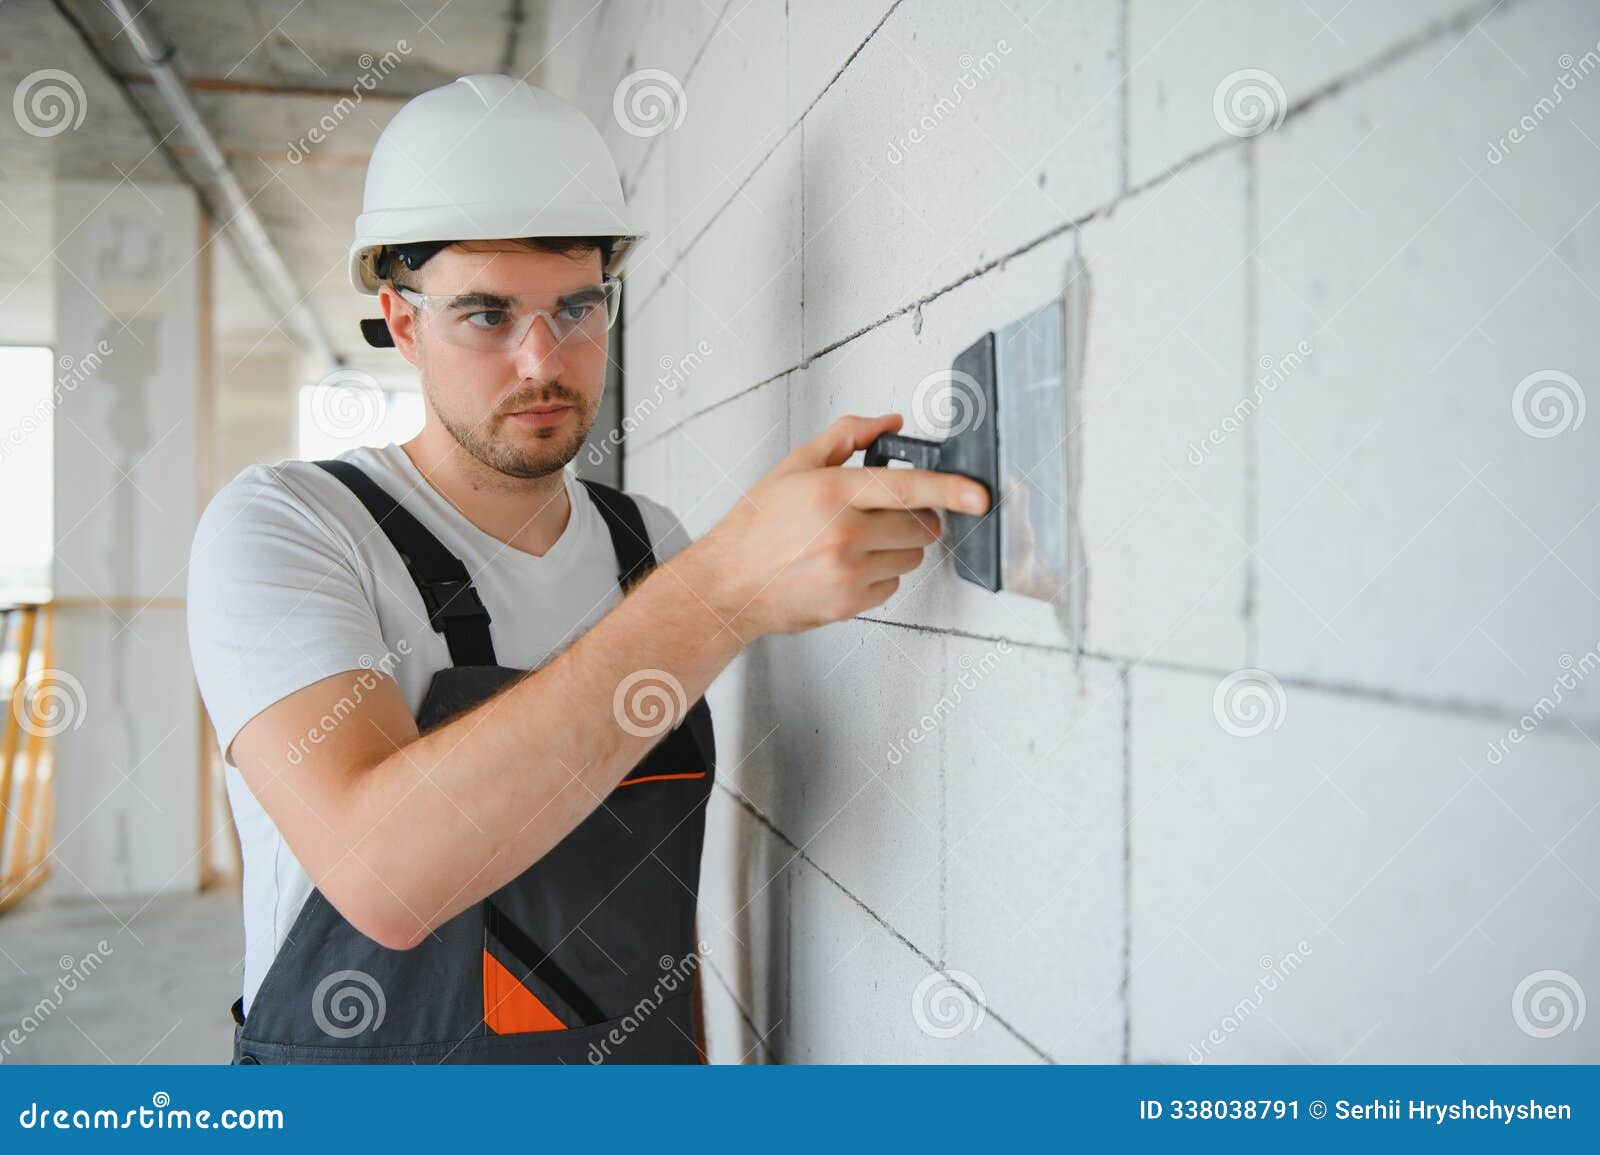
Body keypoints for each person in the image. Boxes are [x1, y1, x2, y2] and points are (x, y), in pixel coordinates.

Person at [187, 74, 987, 1064]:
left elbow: (649, 918)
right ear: (401, 323)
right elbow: (383, 876)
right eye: (486, 316)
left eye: (576, 308)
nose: (542, 362)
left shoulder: (648, 543)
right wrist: (722, 592)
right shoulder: (289, 528)